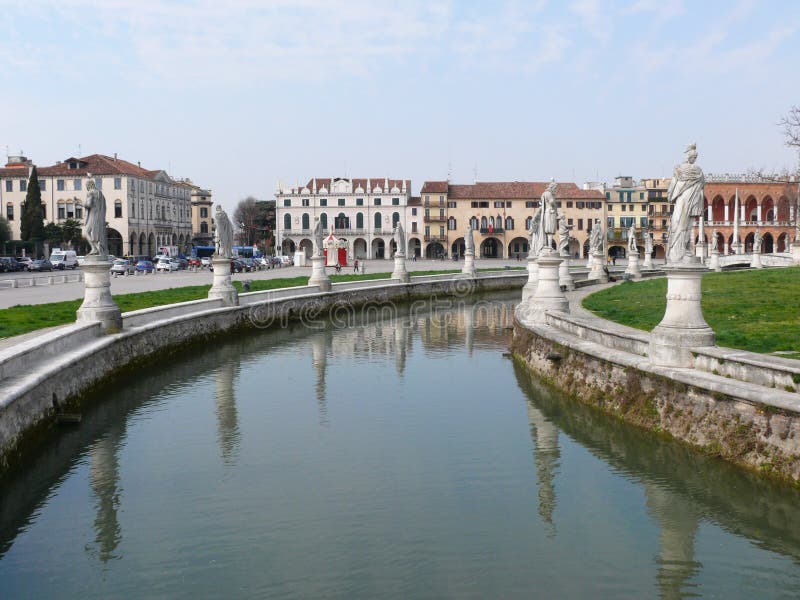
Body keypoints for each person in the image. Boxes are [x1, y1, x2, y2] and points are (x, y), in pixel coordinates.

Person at [666, 143, 705, 263]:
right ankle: (680, 251)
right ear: (689, 157)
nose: (694, 160)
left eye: (695, 158)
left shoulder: (680, 169)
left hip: (685, 199)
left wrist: (671, 194)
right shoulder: (697, 170)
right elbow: (702, 183)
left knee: (682, 223)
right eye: (693, 157)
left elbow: (673, 187)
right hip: (687, 200)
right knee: (682, 223)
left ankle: (681, 250)